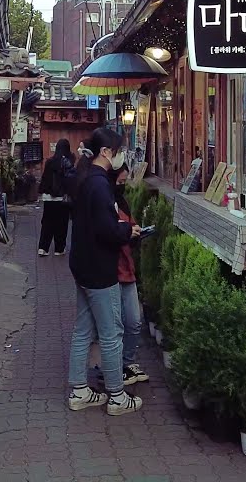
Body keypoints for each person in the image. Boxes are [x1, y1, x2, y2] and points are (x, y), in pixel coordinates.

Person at [66, 127, 143, 416]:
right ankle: (116, 396)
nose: (122, 156)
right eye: (119, 151)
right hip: (100, 269)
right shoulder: (100, 185)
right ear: (106, 153)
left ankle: (79, 390)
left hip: (83, 265)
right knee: (111, 334)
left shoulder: (85, 179)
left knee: (82, 330)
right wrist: (128, 230)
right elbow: (107, 230)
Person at [109, 163, 149, 387]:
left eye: (125, 182)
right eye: (120, 182)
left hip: (127, 267)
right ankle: (115, 369)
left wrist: (134, 232)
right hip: (111, 270)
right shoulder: (105, 202)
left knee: (134, 321)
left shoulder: (121, 202)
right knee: (115, 325)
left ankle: (127, 361)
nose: (122, 186)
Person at [38, 139, 75, 256]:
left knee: (47, 223)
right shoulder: (68, 162)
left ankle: (43, 248)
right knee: (62, 224)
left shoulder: (49, 162)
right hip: (62, 199)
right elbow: (69, 181)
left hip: (49, 198)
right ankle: (59, 249)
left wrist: (43, 192)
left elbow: (44, 179)